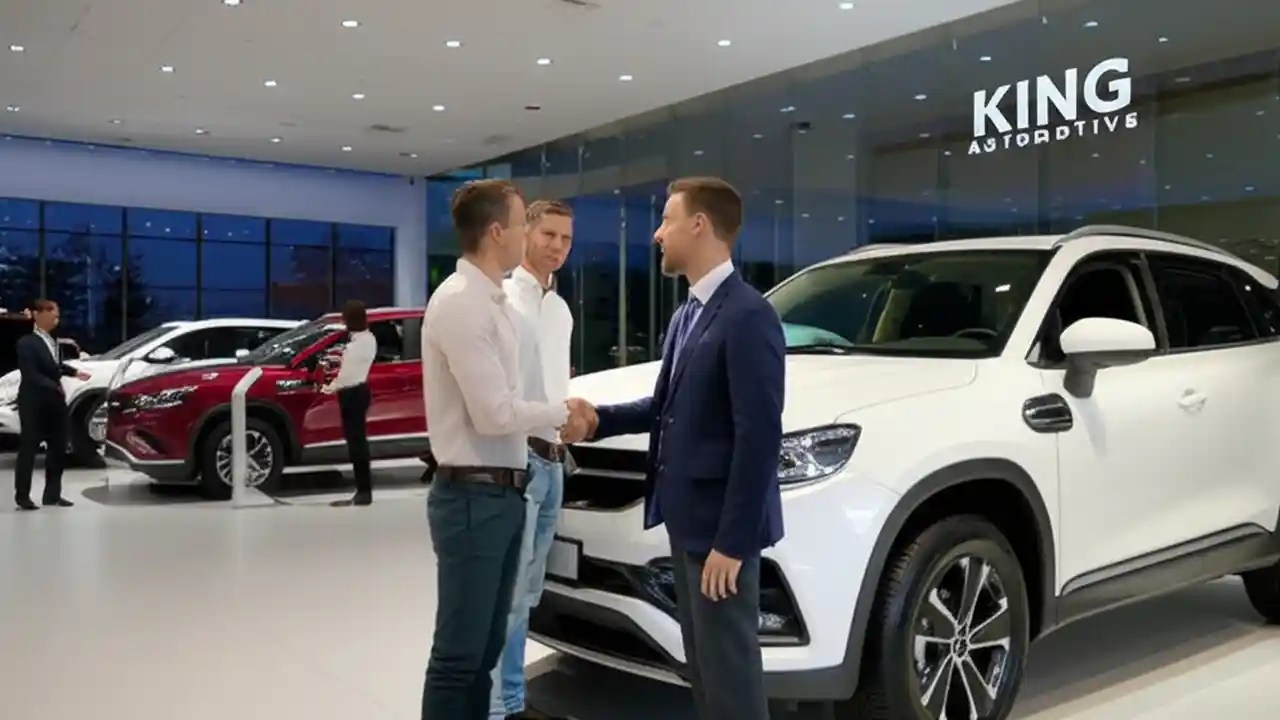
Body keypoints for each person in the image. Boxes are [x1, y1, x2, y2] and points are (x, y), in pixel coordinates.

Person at [563, 178, 786, 720]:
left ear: (699, 225)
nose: (658, 233)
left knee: (730, 677)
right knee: (704, 670)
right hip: (687, 525)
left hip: (719, 536)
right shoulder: (690, 313)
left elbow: (759, 440)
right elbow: (664, 406)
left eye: (666, 220)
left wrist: (732, 544)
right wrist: (598, 421)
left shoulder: (749, 316)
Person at [420, 179, 592, 720]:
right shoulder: (463, 303)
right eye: (526, 225)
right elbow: (494, 412)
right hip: (474, 494)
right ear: (499, 232)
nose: (537, 239)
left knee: (487, 645)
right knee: (459, 656)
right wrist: (563, 412)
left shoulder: (493, 301)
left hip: (506, 487)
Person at [489, 200, 575, 720]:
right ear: (524, 233)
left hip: (554, 461)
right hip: (518, 462)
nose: (557, 247)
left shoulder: (560, 309)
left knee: (529, 593)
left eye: (565, 240)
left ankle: (512, 698)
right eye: (548, 235)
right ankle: (501, 706)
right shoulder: (503, 301)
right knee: (509, 596)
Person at [14, 299, 90, 511]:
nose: (57, 318)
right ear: (39, 314)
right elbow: (31, 374)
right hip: (34, 402)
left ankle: (52, 495)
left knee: (58, 447)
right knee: (29, 448)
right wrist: (53, 386)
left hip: (55, 403)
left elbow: (54, 366)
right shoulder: (26, 342)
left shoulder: (53, 341)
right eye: (53, 314)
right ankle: (23, 496)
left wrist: (74, 372)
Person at [324, 300, 377, 507]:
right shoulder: (362, 339)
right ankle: (362, 490)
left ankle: (364, 491)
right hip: (354, 391)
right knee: (356, 441)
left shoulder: (359, 343)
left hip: (353, 392)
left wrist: (329, 387)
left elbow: (346, 374)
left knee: (357, 443)